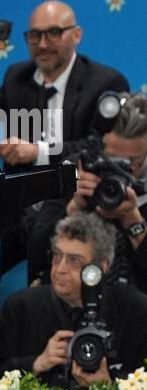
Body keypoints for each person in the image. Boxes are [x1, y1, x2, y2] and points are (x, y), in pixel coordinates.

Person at [0, 211, 147, 388]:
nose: (60, 269)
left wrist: (108, 386)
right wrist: (37, 364)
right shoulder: (21, 306)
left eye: (74, 260)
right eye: (57, 255)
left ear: (102, 267)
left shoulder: (135, 309)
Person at [26, 94, 147, 292]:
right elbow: (36, 254)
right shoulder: (77, 168)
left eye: (130, 163)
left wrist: (134, 222)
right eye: (110, 160)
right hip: (71, 298)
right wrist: (74, 207)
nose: (119, 171)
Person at [0, 2, 127, 171]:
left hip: (80, 190)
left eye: (54, 33)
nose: (43, 44)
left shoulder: (106, 84)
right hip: (25, 193)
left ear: (76, 35)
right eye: (35, 35)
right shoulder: (17, 76)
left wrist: (39, 152)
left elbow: (101, 147)